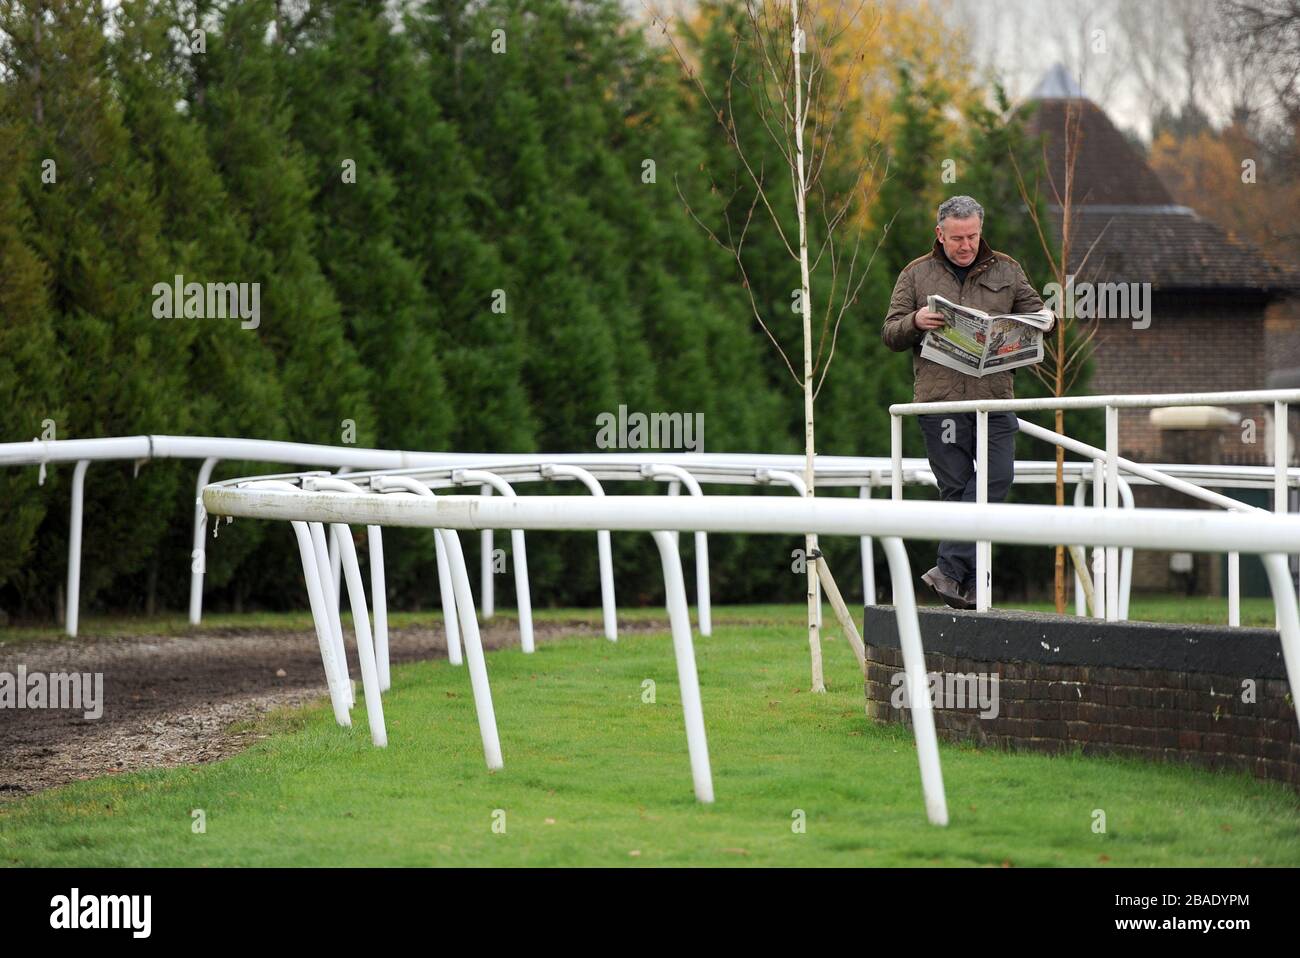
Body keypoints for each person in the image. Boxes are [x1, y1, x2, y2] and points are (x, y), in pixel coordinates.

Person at [881, 195, 1052, 609]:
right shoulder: (915, 274)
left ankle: (948, 571)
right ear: (940, 234)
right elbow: (890, 332)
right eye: (957, 238)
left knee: (996, 481)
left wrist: (1047, 319)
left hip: (994, 402)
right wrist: (915, 322)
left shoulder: (1008, 270)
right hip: (939, 406)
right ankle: (971, 589)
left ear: (981, 229)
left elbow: (1039, 316)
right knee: (957, 490)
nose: (966, 245)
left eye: (973, 236)